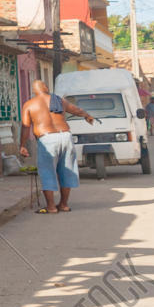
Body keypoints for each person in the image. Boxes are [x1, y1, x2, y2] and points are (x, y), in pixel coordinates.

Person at [19, 79, 97, 214]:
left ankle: (51, 207)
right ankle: (64, 205)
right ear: (46, 88)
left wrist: (22, 145)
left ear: (34, 90)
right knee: (66, 170)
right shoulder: (58, 100)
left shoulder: (29, 104)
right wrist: (87, 115)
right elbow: (76, 110)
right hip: (65, 136)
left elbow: (25, 126)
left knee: (47, 172)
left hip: (47, 138)